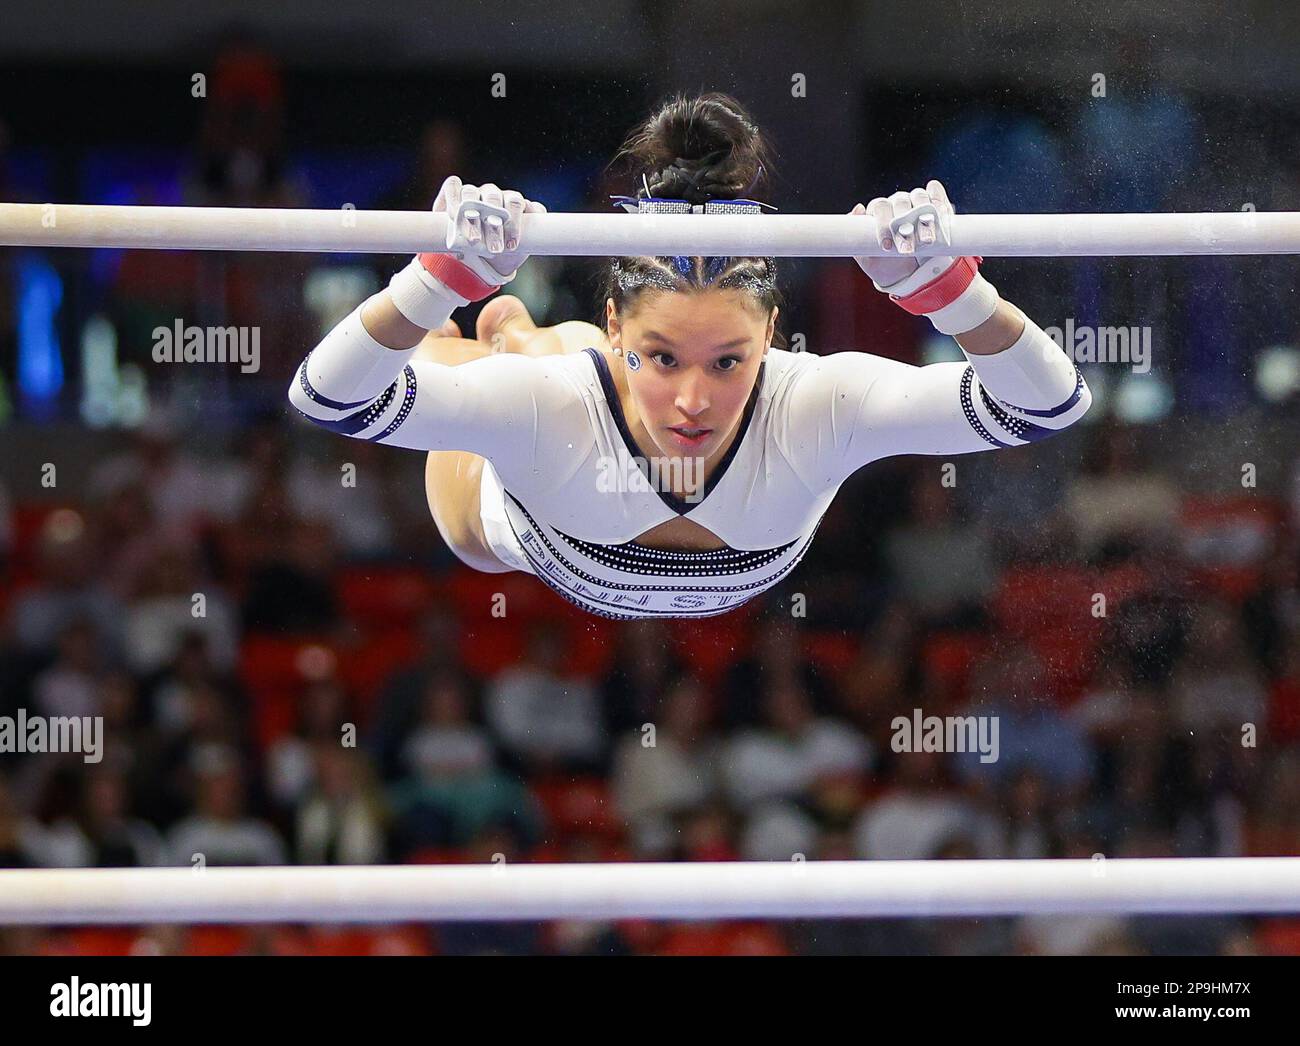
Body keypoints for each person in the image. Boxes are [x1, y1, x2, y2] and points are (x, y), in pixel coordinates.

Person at [288, 93, 1091, 620]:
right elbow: (328, 396)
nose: (695, 401)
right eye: (663, 358)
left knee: (513, 361)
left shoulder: (813, 408)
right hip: (509, 515)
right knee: (454, 355)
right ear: (615, 328)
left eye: (728, 362)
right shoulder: (546, 408)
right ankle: (511, 329)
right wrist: (436, 283)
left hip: (569, 442)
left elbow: (1046, 407)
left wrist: (950, 294)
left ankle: (519, 330)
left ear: (773, 339)